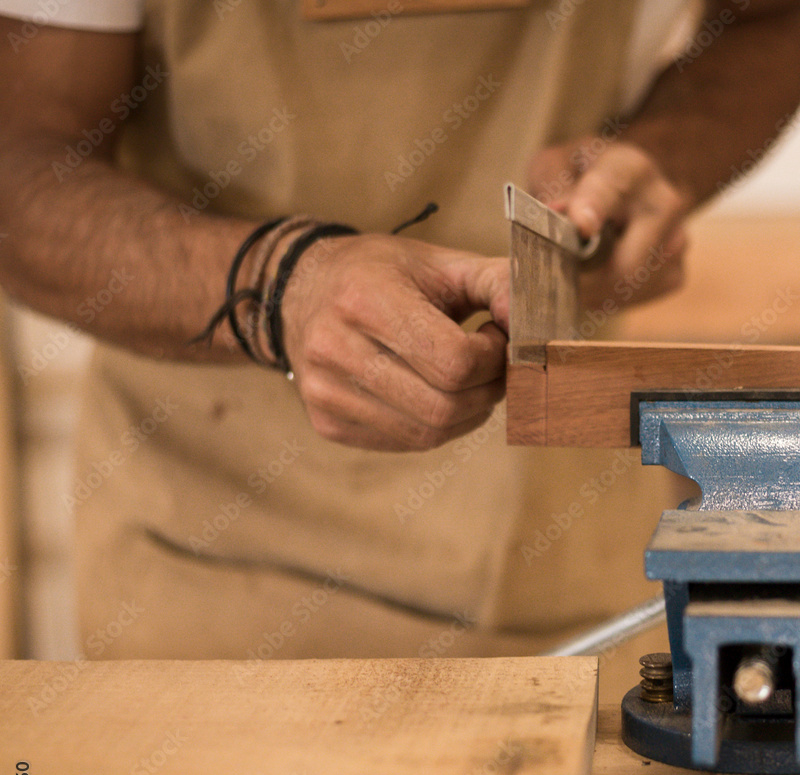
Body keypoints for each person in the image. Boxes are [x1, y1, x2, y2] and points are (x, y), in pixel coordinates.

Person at [0, 0, 798, 670]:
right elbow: (20, 167)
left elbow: (771, 20)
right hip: (210, 582)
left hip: (571, 569)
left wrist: (659, 156)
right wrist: (281, 285)